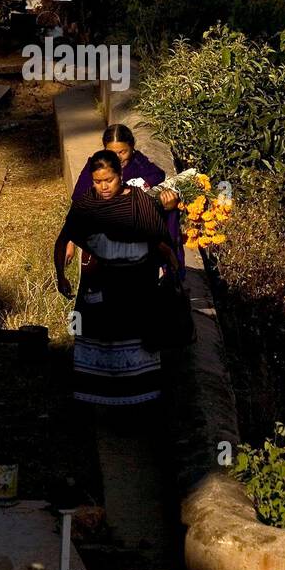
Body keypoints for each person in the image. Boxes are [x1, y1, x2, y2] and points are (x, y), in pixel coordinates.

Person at [54, 149, 177, 406]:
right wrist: (60, 275)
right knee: (100, 347)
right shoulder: (87, 204)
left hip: (134, 291)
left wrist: (172, 266)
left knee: (134, 349)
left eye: (108, 180)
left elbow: (159, 240)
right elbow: (65, 236)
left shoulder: (138, 202)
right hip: (99, 289)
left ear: (120, 175)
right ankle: (99, 405)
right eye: (98, 182)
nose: (103, 187)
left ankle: (137, 407)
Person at [70, 123, 185, 276]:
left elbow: (157, 178)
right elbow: (79, 202)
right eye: (111, 152)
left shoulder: (141, 165)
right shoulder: (95, 166)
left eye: (122, 152)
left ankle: (168, 270)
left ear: (132, 148)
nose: (117, 158)